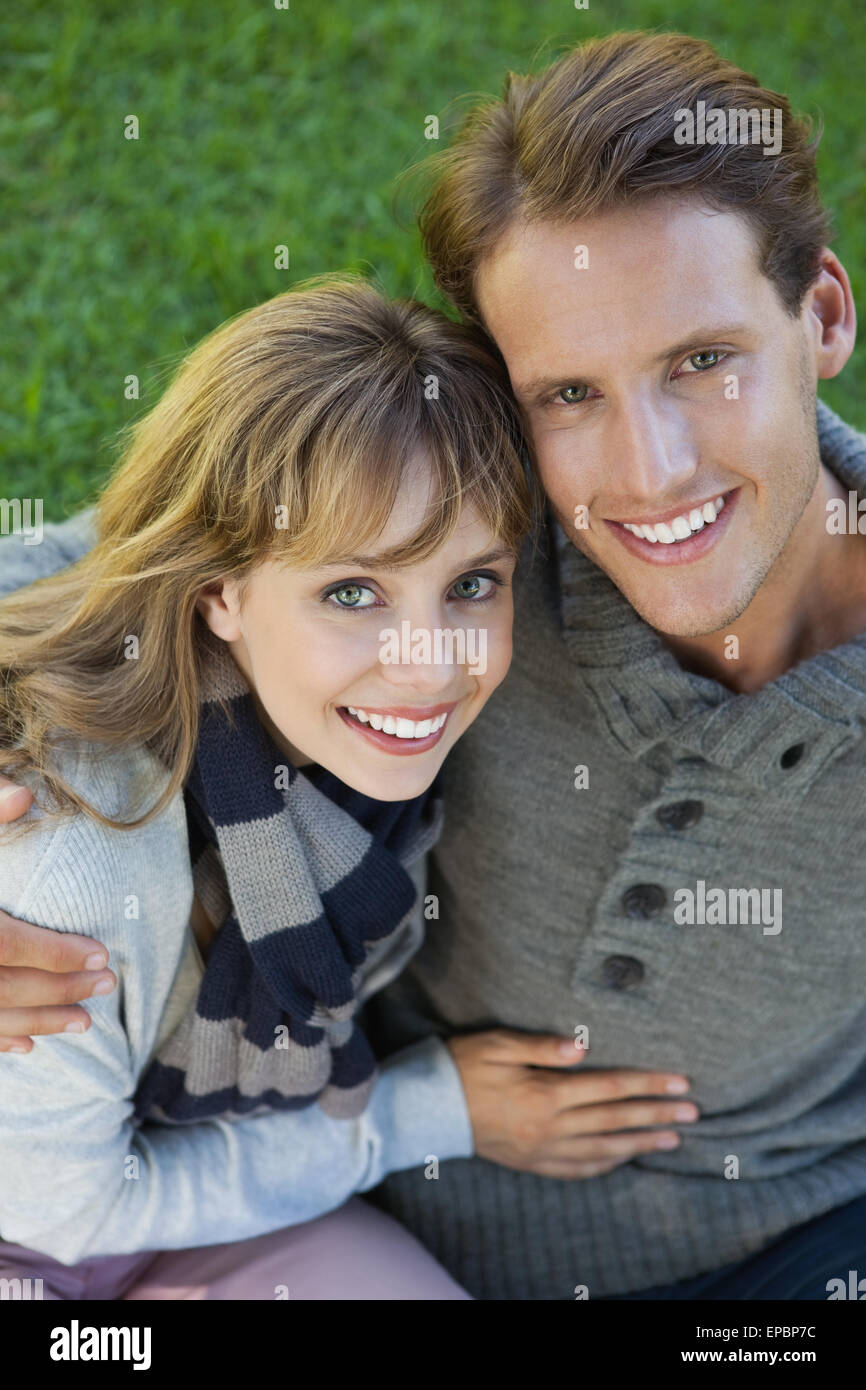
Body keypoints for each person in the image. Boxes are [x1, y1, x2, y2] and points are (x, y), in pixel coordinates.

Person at [4, 31, 865, 1301]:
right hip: (337, 1184)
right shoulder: (464, 520)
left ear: (823, 314)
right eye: (566, 393)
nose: (648, 471)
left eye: (702, 359)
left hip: (781, 1254)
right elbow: (116, 561)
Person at [0, 274, 694, 1303]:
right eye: (352, 591)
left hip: (177, 1196)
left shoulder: (332, 762)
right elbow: (64, 1212)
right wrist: (421, 1115)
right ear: (217, 593)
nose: (428, 665)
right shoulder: (72, 856)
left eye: (470, 583)